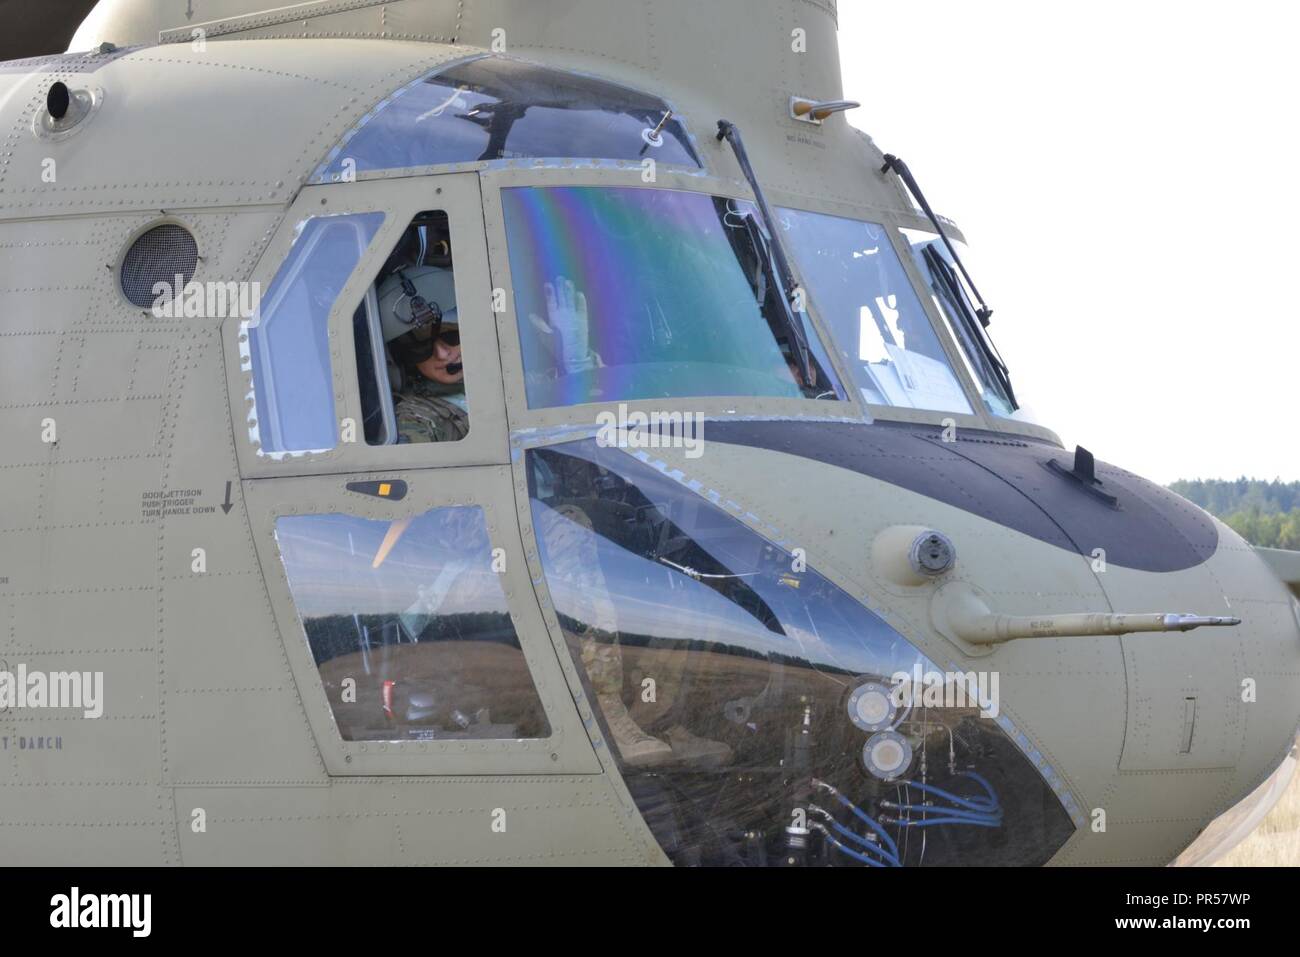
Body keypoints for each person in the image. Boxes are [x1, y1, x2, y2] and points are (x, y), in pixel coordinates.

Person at [379, 263, 469, 444]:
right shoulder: (416, 417)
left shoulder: (519, 374)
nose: (443, 354)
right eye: (421, 348)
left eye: (451, 335)